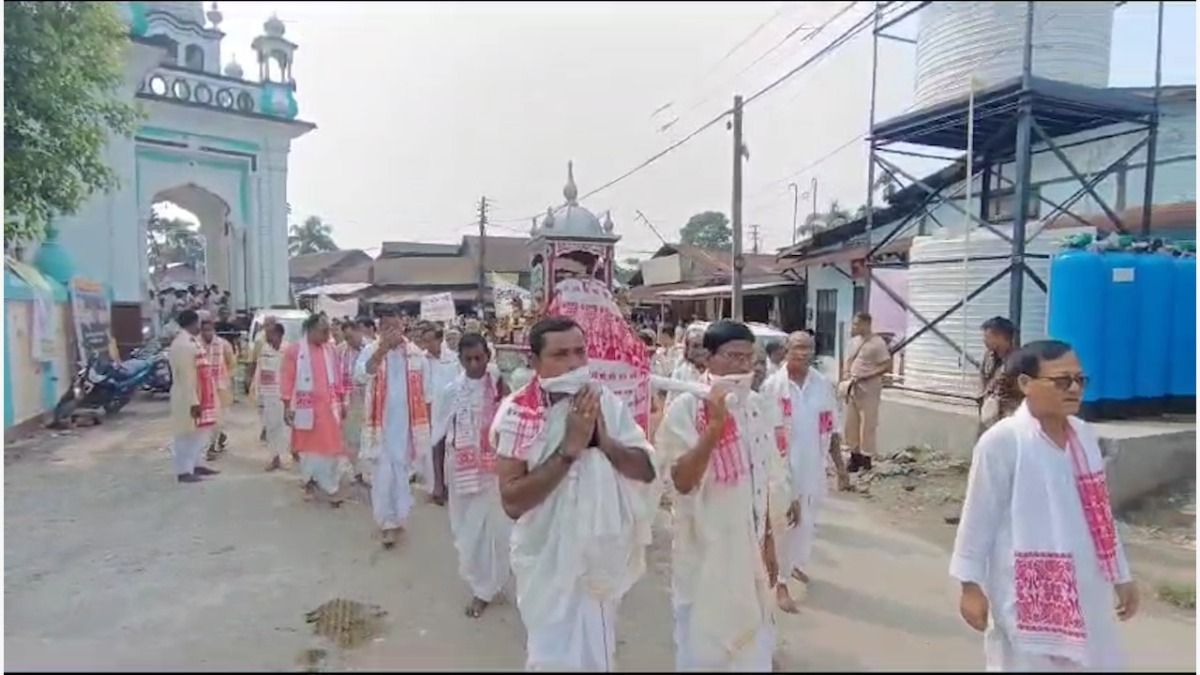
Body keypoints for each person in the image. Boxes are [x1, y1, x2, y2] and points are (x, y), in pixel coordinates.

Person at [951, 340, 1138, 671]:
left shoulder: (1084, 437)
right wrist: (969, 585)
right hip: (1028, 594)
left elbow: (1100, 514)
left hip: (1087, 587)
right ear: (1026, 383)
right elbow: (978, 517)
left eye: (1080, 380)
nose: (1075, 389)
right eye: (1062, 381)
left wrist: (1121, 575)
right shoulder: (1003, 441)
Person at [492, 316, 656, 671]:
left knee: (598, 655)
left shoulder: (605, 401)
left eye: (580, 352)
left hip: (600, 556)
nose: (574, 363)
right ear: (534, 362)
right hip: (546, 562)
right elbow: (512, 502)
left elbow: (646, 469)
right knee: (551, 658)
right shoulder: (518, 414)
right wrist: (569, 449)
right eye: (560, 354)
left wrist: (604, 442)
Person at [655, 320, 793, 671]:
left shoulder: (756, 406)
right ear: (709, 358)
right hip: (704, 552)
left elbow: (764, 479)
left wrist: (769, 541)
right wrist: (715, 427)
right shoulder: (687, 408)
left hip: (750, 550)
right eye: (733, 357)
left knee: (752, 645)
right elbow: (682, 482)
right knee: (704, 647)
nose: (742, 366)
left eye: (748, 358)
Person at [761, 331, 848, 602]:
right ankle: (781, 582)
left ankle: (794, 564)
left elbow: (832, 429)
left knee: (807, 523)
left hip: (812, 468)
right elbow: (763, 434)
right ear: (786, 350)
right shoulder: (773, 387)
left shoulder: (822, 385)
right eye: (798, 347)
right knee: (783, 524)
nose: (804, 352)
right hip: (781, 470)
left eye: (809, 347)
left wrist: (841, 468)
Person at [432, 333, 512, 619]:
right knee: (468, 535)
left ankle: (485, 590)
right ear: (460, 360)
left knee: (497, 533)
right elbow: (439, 437)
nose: (475, 364)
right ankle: (482, 582)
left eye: (479, 358)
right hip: (461, 473)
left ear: (488, 356)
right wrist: (438, 482)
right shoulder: (451, 391)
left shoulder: (500, 385)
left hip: (494, 474)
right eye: (468, 359)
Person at [355, 307, 434, 548]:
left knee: (402, 473)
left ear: (403, 326)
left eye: (395, 326)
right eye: (386, 327)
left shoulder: (416, 355)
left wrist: (426, 427)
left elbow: (427, 393)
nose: (391, 331)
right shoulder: (371, 350)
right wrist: (381, 351)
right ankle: (387, 523)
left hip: (407, 426)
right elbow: (360, 376)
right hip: (380, 426)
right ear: (379, 329)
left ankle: (400, 517)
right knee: (383, 473)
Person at [281, 314, 348, 506]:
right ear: (310, 330)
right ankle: (313, 483)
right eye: (323, 331)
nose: (328, 335)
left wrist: (342, 401)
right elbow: (287, 379)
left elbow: (337, 377)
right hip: (305, 410)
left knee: (330, 450)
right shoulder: (295, 351)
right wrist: (287, 406)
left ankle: (329, 485)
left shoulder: (330, 350)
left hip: (329, 409)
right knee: (308, 451)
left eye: (328, 331)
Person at [167, 310, 220, 483]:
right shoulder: (183, 344)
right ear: (193, 323)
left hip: (199, 394)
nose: (200, 326)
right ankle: (183, 471)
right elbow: (186, 377)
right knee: (185, 434)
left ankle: (196, 464)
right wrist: (193, 402)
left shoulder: (191, 341)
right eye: (198, 323)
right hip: (188, 396)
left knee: (198, 433)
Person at [839, 312, 892, 473]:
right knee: (851, 423)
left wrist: (867, 375)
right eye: (854, 324)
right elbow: (848, 360)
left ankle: (866, 458)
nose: (854, 327)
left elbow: (886, 365)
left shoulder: (877, 343)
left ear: (866, 324)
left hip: (869, 387)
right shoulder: (853, 342)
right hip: (852, 386)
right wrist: (846, 376)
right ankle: (854, 456)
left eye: (857, 324)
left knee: (867, 423)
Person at [421, 321, 462, 503]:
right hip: (431, 410)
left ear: (439, 340)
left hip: (452, 410)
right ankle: (437, 486)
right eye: (425, 341)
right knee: (435, 450)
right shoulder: (422, 359)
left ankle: (451, 485)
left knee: (452, 450)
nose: (428, 345)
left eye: (430, 340)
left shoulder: (454, 359)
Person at [199, 311, 236, 461]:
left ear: (213, 330)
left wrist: (226, 379)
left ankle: (212, 446)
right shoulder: (196, 345)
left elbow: (231, 363)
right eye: (204, 330)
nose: (207, 333)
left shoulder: (223, 345)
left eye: (209, 330)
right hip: (202, 388)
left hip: (220, 388)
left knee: (218, 419)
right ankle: (209, 445)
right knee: (205, 420)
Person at [257, 322, 290, 472]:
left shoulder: (288, 349)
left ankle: (285, 456)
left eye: (270, 333)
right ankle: (274, 458)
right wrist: (258, 393)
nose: (267, 336)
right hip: (268, 393)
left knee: (285, 427)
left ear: (279, 334)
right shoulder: (265, 349)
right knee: (271, 426)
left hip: (285, 394)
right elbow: (260, 372)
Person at [339, 319, 369, 485]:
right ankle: (357, 472)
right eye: (346, 338)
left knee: (368, 436)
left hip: (370, 398)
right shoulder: (341, 351)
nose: (349, 341)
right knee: (352, 436)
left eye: (350, 337)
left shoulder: (372, 348)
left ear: (359, 332)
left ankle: (366, 472)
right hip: (351, 399)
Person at [979, 316, 1021, 433]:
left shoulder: (1019, 360)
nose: (984, 340)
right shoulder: (988, 356)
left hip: (1010, 417)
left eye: (987, 337)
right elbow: (983, 378)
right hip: (989, 414)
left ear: (1000, 337)